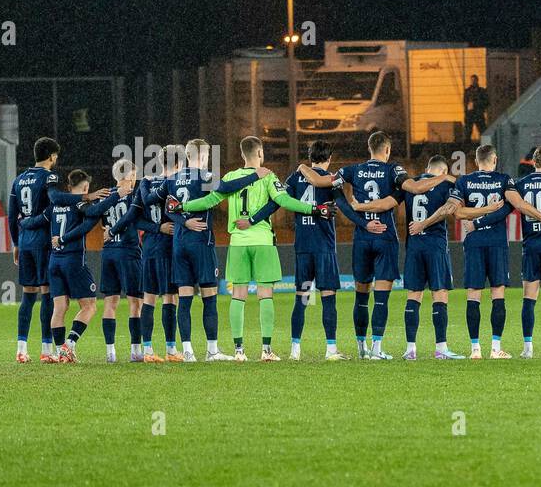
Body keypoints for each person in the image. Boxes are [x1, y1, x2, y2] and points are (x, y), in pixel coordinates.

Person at [172, 136, 330, 361]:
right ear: (260, 153)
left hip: (238, 243)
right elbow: (284, 201)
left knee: (238, 296)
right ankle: (266, 350)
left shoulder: (230, 177)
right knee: (266, 296)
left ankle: (239, 351)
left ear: (242, 155)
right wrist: (314, 209)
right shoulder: (267, 176)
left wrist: (182, 206)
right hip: (263, 241)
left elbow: (208, 202)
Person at [308, 132, 442, 359]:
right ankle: (377, 349)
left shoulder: (353, 170)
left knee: (361, 295)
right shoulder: (393, 170)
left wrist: (360, 216)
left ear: (369, 148)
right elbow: (412, 188)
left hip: (362, 237)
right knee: (381, 296)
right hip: (385, 236)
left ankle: (361, 348)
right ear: (387, 150)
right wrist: (445, 178)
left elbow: (332, 189)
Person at [473, 145, 541, 358]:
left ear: (534, 162)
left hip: (530, 247)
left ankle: (527, 349)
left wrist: (477, 222)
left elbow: (503, 211)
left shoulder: (521, 184)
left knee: (528, 299)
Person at [446, 143, 518, 359]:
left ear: (476, 161)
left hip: (474, 242)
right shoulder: (504, 180)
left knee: (473, 295)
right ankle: (495, 349)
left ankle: (475, 349)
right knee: (498, 293)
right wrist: (487, 215)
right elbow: (507, 208)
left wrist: (475, 222)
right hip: (496, 242)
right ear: (494, 159)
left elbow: (457, 213)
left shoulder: (464, 181)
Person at [159, 139, 228, 361]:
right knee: (209, 297)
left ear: (187, 156)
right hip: (201, 243)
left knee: (185, 298)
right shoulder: (206, 177)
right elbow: (227, 188)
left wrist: (183, 221)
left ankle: (187, 351)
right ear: (204, 156)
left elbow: (166, 208)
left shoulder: (171, 179)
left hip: (179, 244)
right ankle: (212, 351)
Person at [283, 140, 346, 361]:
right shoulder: (331, 179)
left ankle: (295, 350)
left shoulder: (294, 177)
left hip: (303, 246)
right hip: (324, 247)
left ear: (310, 157)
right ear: (329, 158)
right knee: (328, 297)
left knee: (302, 298)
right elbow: (342, 204)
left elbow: (283, 200)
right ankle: (330, 350)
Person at [402, 156, 465, 360]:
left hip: (414, 245)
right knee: (440, 293)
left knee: (414, 294)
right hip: (435, 244)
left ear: (427, 168)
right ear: (443, 171)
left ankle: (410, 349)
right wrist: (425, 223)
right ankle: (441, 348)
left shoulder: (411, 185)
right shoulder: (444, 185)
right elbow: (448, 210)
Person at [44, 169, 111, 362]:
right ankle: (69, 344)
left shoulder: (56, 203)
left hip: (54, 260)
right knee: (89, 306)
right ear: (87, 187)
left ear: (68, 186)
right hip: (73, 260)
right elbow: (92, 213)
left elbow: (42, 219)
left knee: (59, 307)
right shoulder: (80, 204)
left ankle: (60, 353)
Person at [8, 137, 61, 362]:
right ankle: (46, 349)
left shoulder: (18, 180)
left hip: (26, 243)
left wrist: (16, 243)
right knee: (47, 294)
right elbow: (53, 208)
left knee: (28, 296)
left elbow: (12, 216)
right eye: (56, 156)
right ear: (51, 156)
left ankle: (21, 349)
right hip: (44, 242)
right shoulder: (50, 177)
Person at [95, 159, 145, 362]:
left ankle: (110, 352)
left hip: (109, 252)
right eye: (133, 176)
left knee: (110, 302)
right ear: (127, 176)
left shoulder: (105, 195)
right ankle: (135, 351)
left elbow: (100, 222)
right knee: (136, 302)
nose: (135, 180)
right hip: (129, 252)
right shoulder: (133, 194)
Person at [138, 145, 184, 362]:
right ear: (179, 164)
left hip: (148, 247)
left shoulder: (146, 182)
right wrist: (161, 228)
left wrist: (154, 228)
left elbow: (135, 218)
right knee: (169, 297)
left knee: (148, 298)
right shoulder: (175, 183)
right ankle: (170, 350)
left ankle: (147, 351)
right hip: (167, 247)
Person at [463, 74, 489, 141]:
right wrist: (467, 109)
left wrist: (478, 104)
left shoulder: (482, 91)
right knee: (468, 132)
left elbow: (487, 102)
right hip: (470, 114)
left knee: (483, 131)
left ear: (477, 81)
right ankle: (467, 148)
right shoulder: (467, 91)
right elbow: (465, 102)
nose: (473, 82)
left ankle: (485, 145)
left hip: (478, 113)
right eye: (472, 80)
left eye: (474, 80)